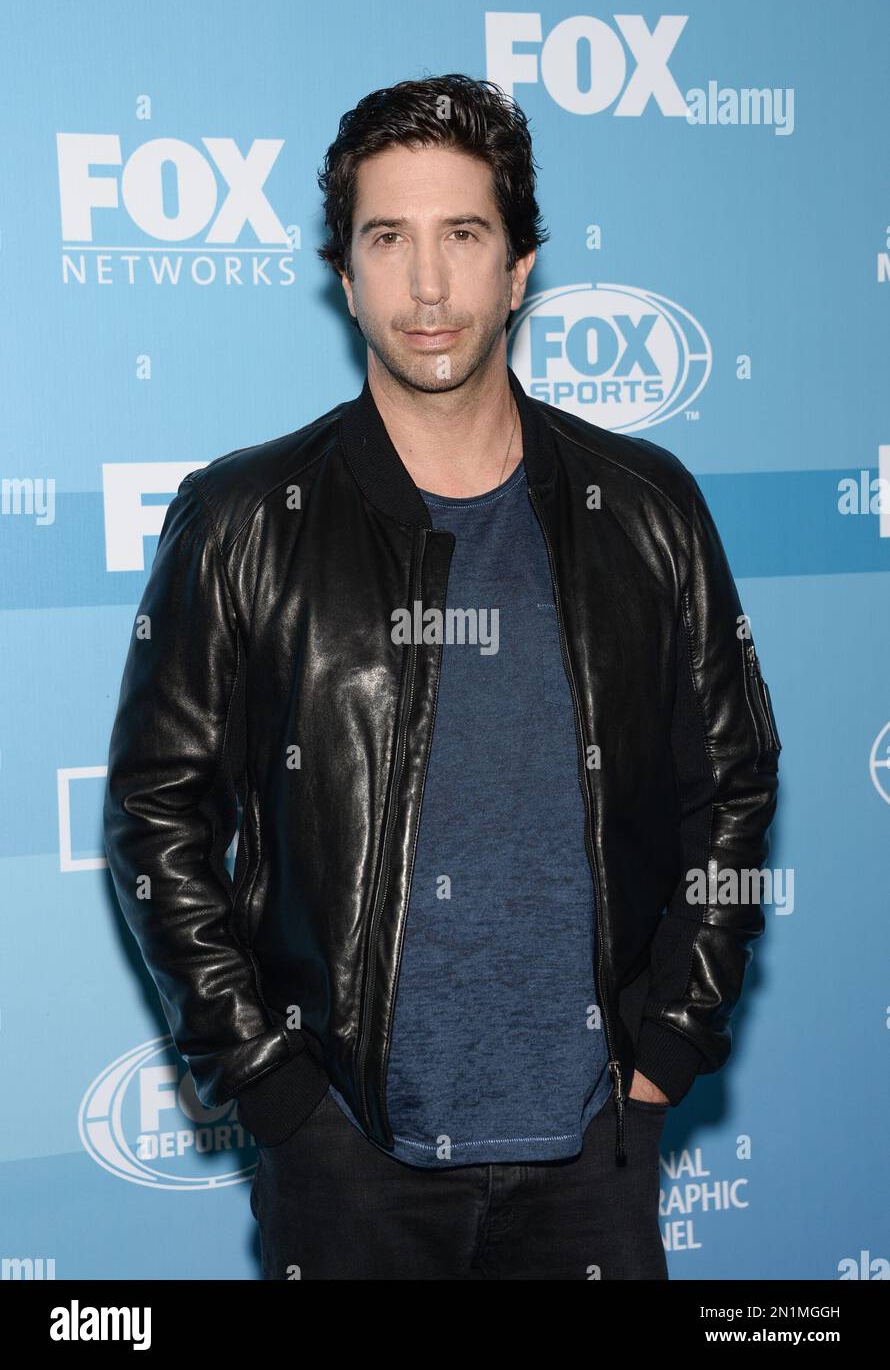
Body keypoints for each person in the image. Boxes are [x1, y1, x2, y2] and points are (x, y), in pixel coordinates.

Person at [103, 74, 781, 1280]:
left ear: (518, 266)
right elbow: (156, 817)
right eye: (388, 240)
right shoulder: (247, 517)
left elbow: (727, 788)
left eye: (462, 236)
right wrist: (272, 1089)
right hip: (350, 1160)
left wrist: (664, 1048)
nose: (427, 286)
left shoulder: (646, 508)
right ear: (345, 272)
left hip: (592, 1157)